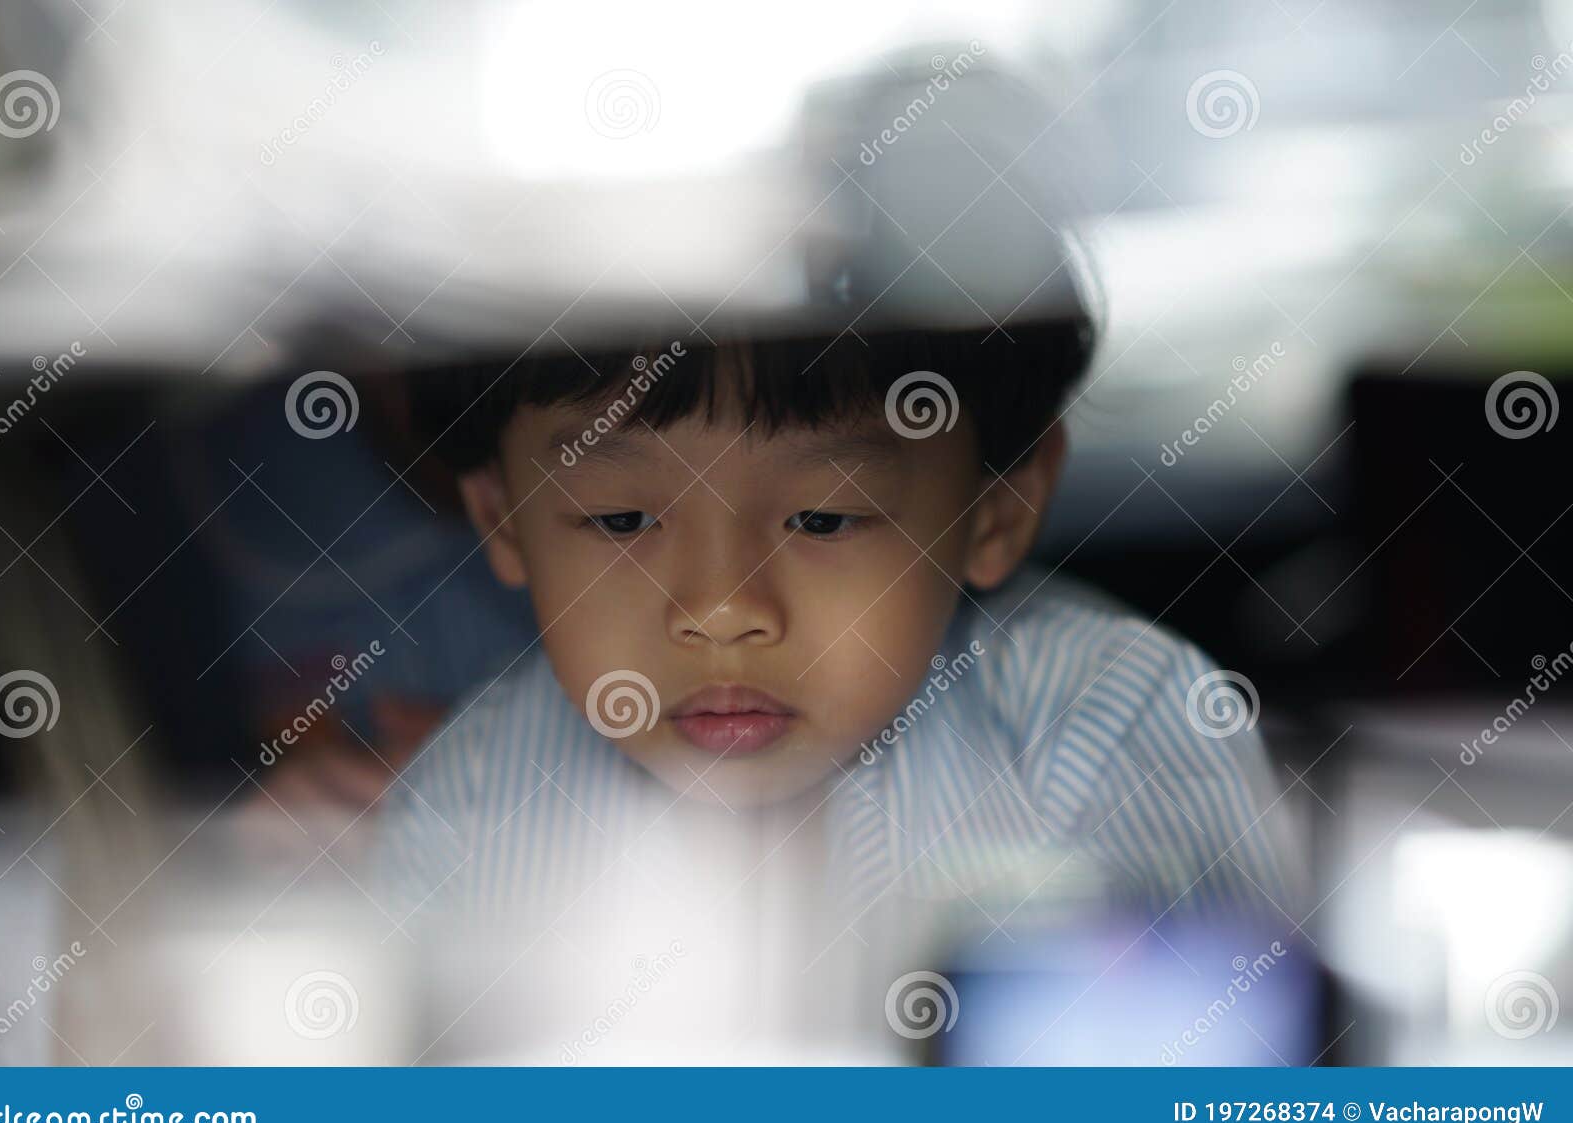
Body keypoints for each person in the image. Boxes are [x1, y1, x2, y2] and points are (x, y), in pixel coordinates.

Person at [375, 325, 1301, 930]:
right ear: (502, 520)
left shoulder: (1110, 730)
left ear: (997, 508)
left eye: (822, 518)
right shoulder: (470, 801)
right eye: (621, 519)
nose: (721, 608)